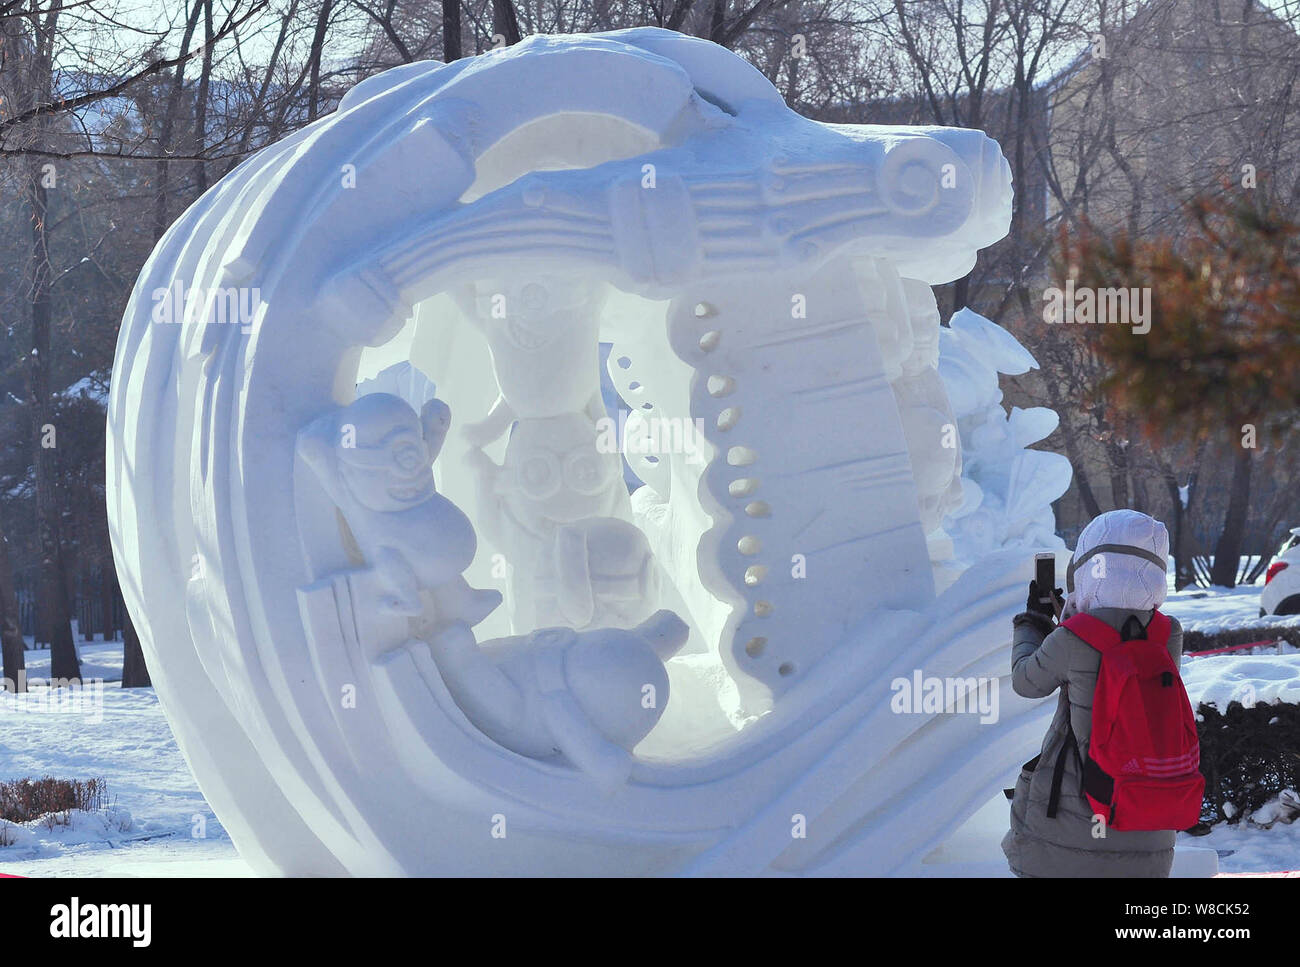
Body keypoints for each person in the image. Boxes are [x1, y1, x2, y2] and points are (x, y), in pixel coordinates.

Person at [1001, 509, 1186, 877]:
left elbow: (1027, 681)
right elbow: (1117, 642)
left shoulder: (1073, 637)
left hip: (1069, 834)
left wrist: (1033, 623)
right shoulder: (1169, 634)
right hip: (1149, 833)